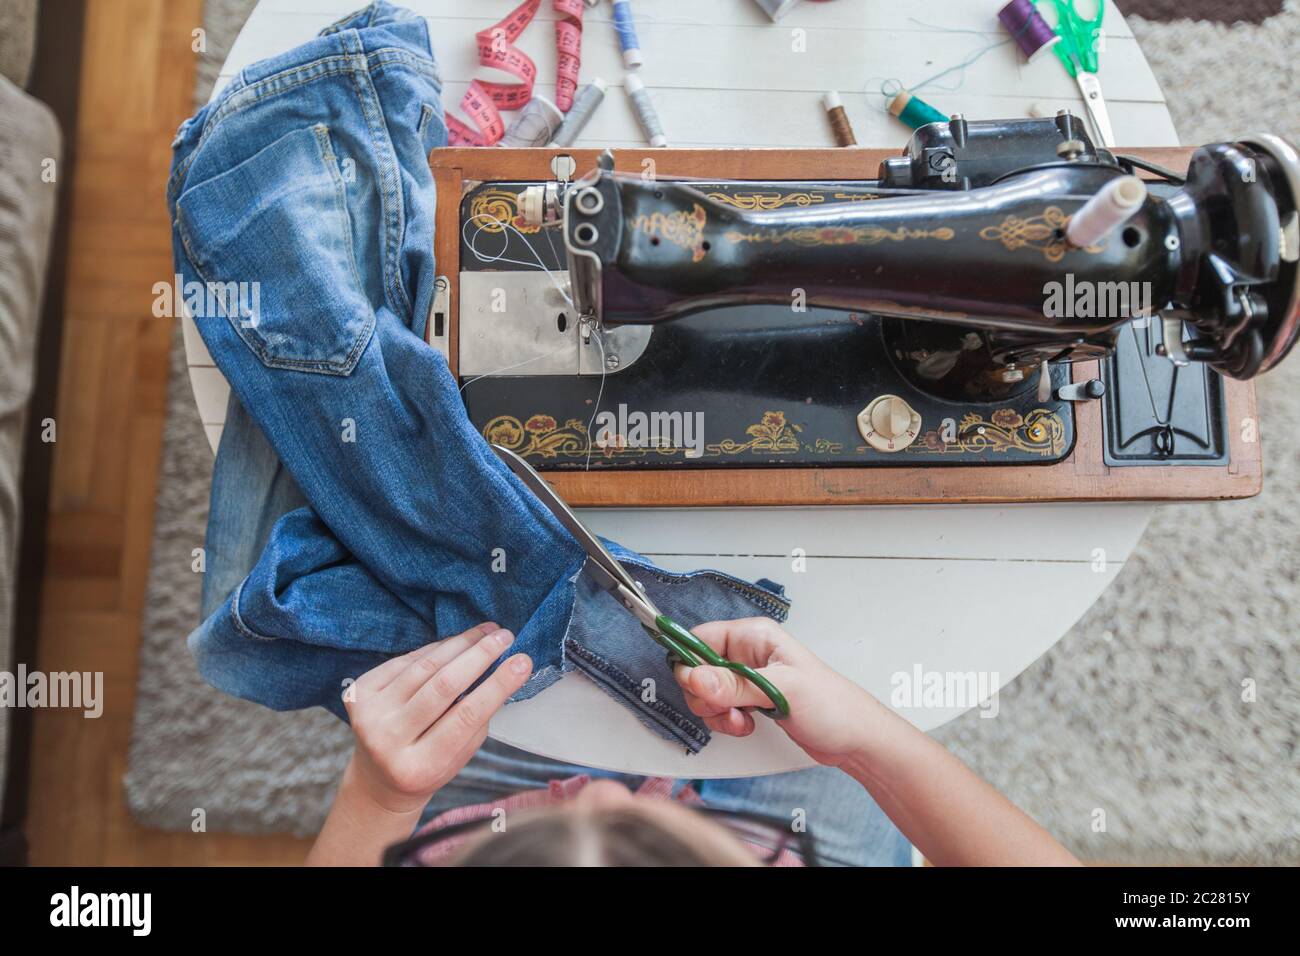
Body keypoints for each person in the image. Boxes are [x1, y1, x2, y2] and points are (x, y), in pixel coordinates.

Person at [305, 618, 1081, 867]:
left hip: (465, 822)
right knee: (852, 640)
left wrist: (380, 798)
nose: (602, 793)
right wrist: (869, 742)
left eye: (589, 806)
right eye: (635, 827)